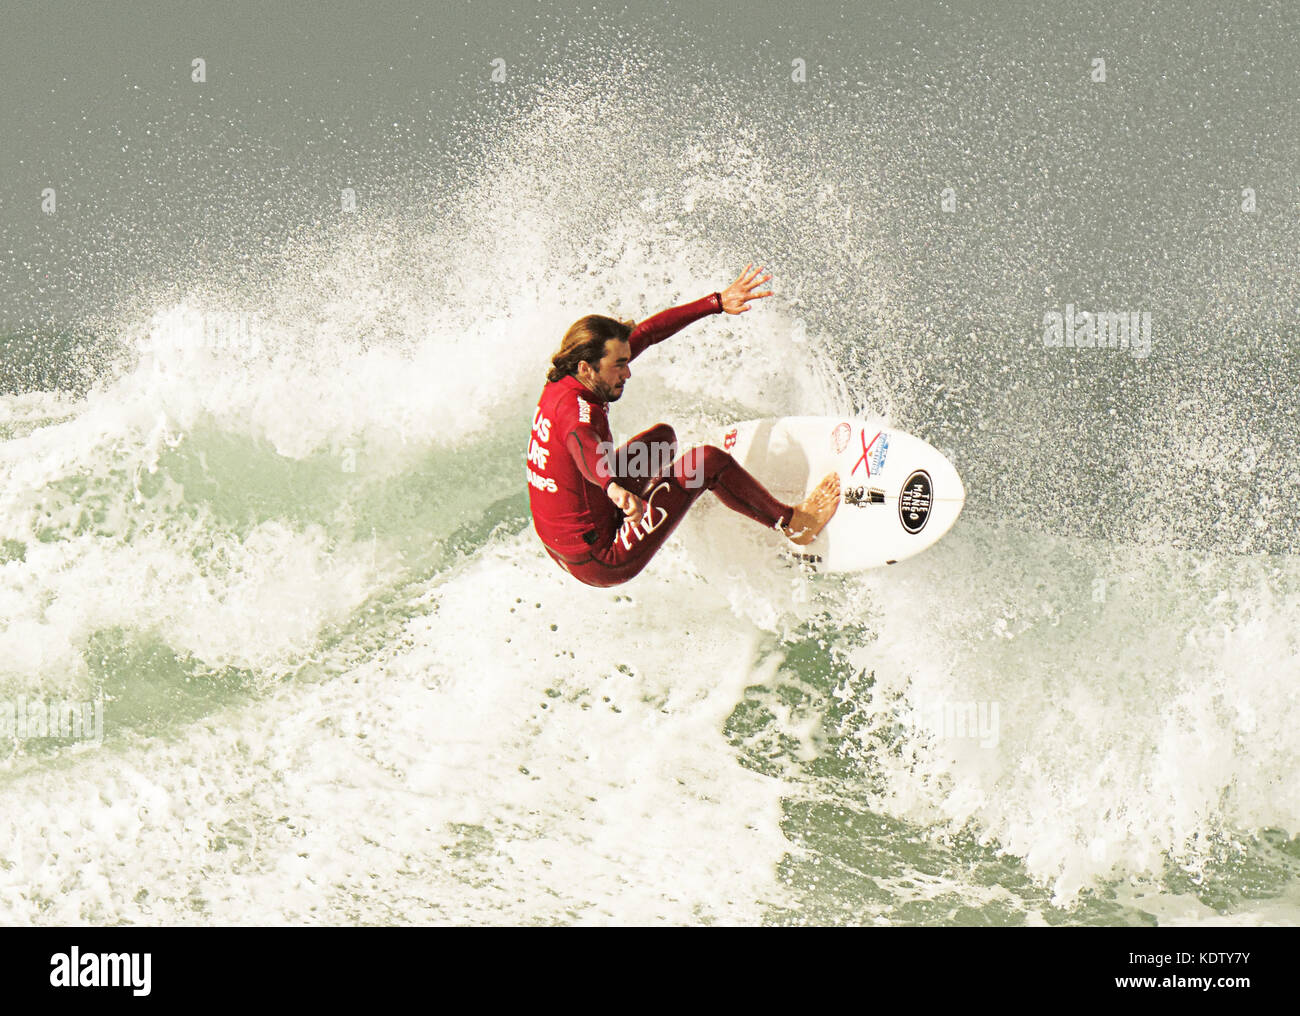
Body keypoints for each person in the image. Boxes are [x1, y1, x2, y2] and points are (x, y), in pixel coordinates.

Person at [527, 264, 840, 588]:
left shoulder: (567, 375)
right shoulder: (578, 413)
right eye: (620, 365)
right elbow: (584, 446)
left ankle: (676, 501)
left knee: (663, 439)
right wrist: (613, 488)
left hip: (566, 539)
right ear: (587, 368)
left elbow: (646, 334)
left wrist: (717, 302)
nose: (628, 373)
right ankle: (796, 524)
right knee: (707, 462)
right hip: (600, 558)